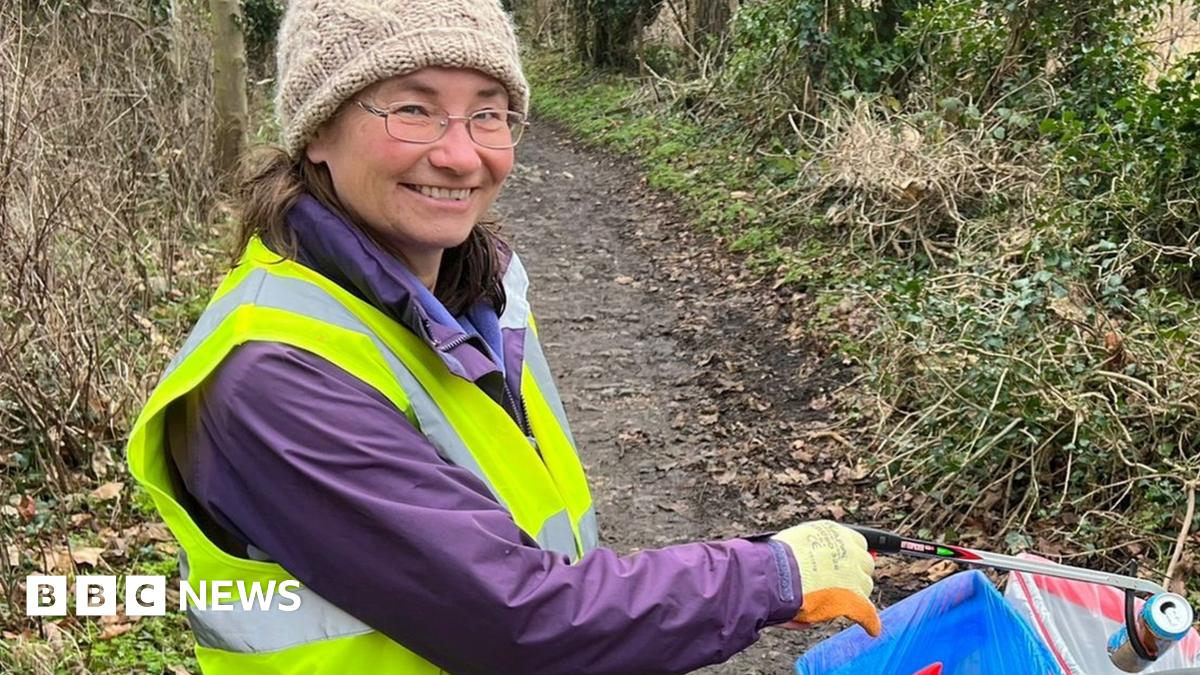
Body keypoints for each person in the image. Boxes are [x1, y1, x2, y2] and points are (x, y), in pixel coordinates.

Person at [125, 1, 880, 673]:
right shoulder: (274, 374)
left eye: (488, 114)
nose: (461, 155)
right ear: (318, 129)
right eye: (413, 111)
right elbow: (519, 619)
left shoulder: (469, 292)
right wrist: (765, 575)